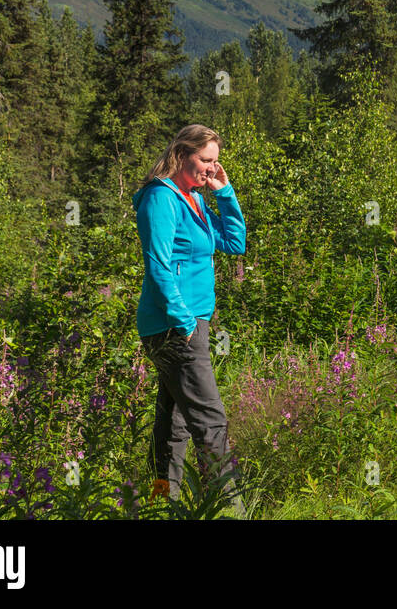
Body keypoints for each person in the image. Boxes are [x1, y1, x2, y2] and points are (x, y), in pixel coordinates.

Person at [131, 124, 247, 513]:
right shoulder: (160, 198)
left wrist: (224, 193)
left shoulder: (193, 199)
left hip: (189, 321)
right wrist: (183, 324)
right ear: (182, 154)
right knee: (211, 420)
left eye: (216, 163)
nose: (211, 169)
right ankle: (230, 509)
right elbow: (159, 265)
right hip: (173, 325)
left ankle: (162, 505)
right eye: (205, 161)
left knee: (174, 424)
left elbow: (234, 242)